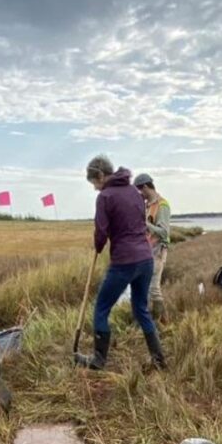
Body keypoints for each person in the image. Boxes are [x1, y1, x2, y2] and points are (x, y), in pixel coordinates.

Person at [75, 155, 166, 371]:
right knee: (141, 308)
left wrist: (97, 246)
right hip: (145, 259)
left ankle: (98, 360)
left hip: (124, 262)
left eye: (94, 183)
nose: (95, 188)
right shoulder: (135, 192)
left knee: (101, 309)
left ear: (100, 176)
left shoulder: (105, 196)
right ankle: (159, 359)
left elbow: (101, 231)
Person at [133, 172, 170, 322]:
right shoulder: (148, 205)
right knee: (146, 288)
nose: (139, 194)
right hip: (148, 251)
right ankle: (155, 322)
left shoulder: (162, 205)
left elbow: (164, 232)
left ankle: (163, 323)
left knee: (153, 288)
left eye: (140, 190)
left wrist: (145, 224)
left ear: (147, 187)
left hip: (158, 250)